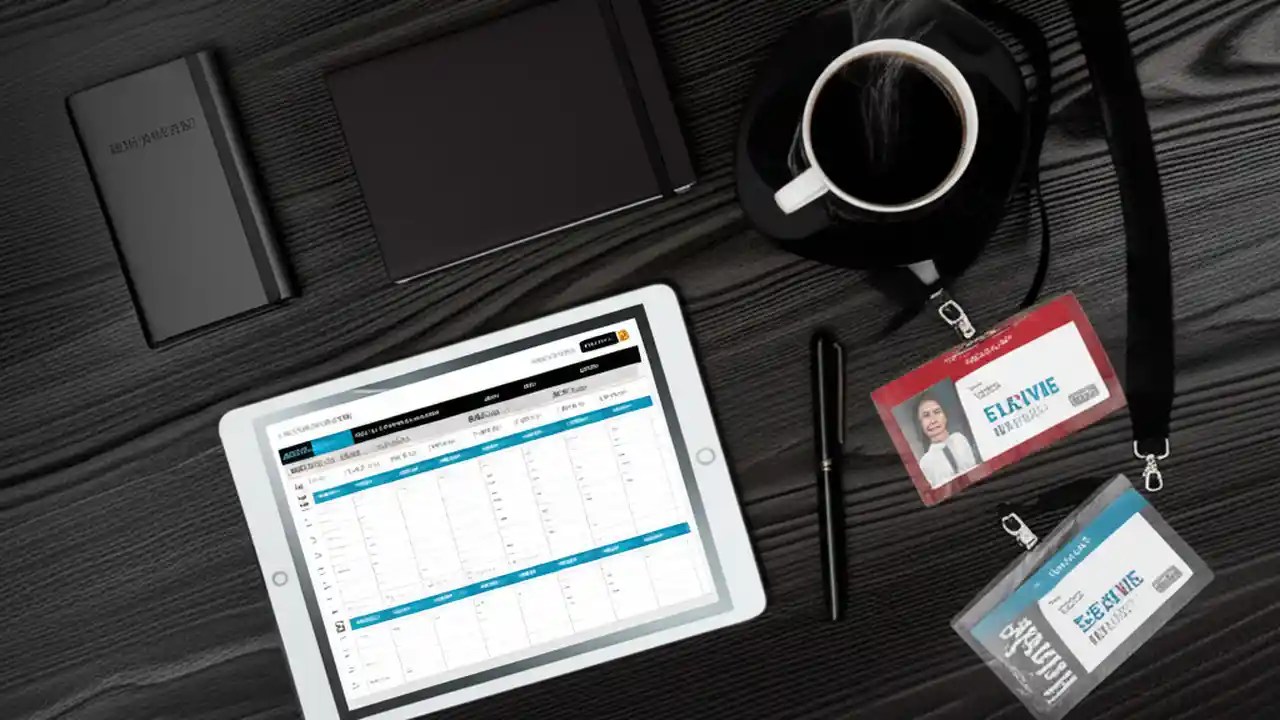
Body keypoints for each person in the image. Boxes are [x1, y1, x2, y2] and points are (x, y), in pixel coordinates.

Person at [913, 392, 978, 487]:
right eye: (926, 415)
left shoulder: (960, 439)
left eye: (937, 412)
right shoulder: (925, 463)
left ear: (945, 416)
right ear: (920, 424)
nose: (933, 420)